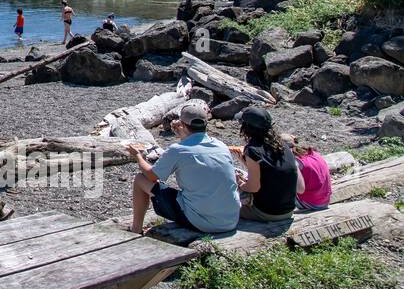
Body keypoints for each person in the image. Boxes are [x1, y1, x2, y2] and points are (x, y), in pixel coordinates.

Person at [126, 100, 240, 234]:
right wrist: (183, 136)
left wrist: (138, 156)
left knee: (140, 179)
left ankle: (136, 229)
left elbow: (151, 175)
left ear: (182, 124)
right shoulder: (221, 145)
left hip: (203, 222)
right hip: (230, 220)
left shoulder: (178, 150)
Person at [230, 106, 299, 222]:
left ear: (247, 127)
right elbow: (269, 171)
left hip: (267, 213)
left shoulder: (253, 150)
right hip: (288, 210)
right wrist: (244, 161)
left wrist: (240, 183)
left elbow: (253, 187)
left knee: (229, 205)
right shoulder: (281, 144)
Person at [282, 134, 331, 211]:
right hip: (324, 201)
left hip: (310, 204)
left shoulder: (294, 161)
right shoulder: (313, 153)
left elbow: (300, 189)